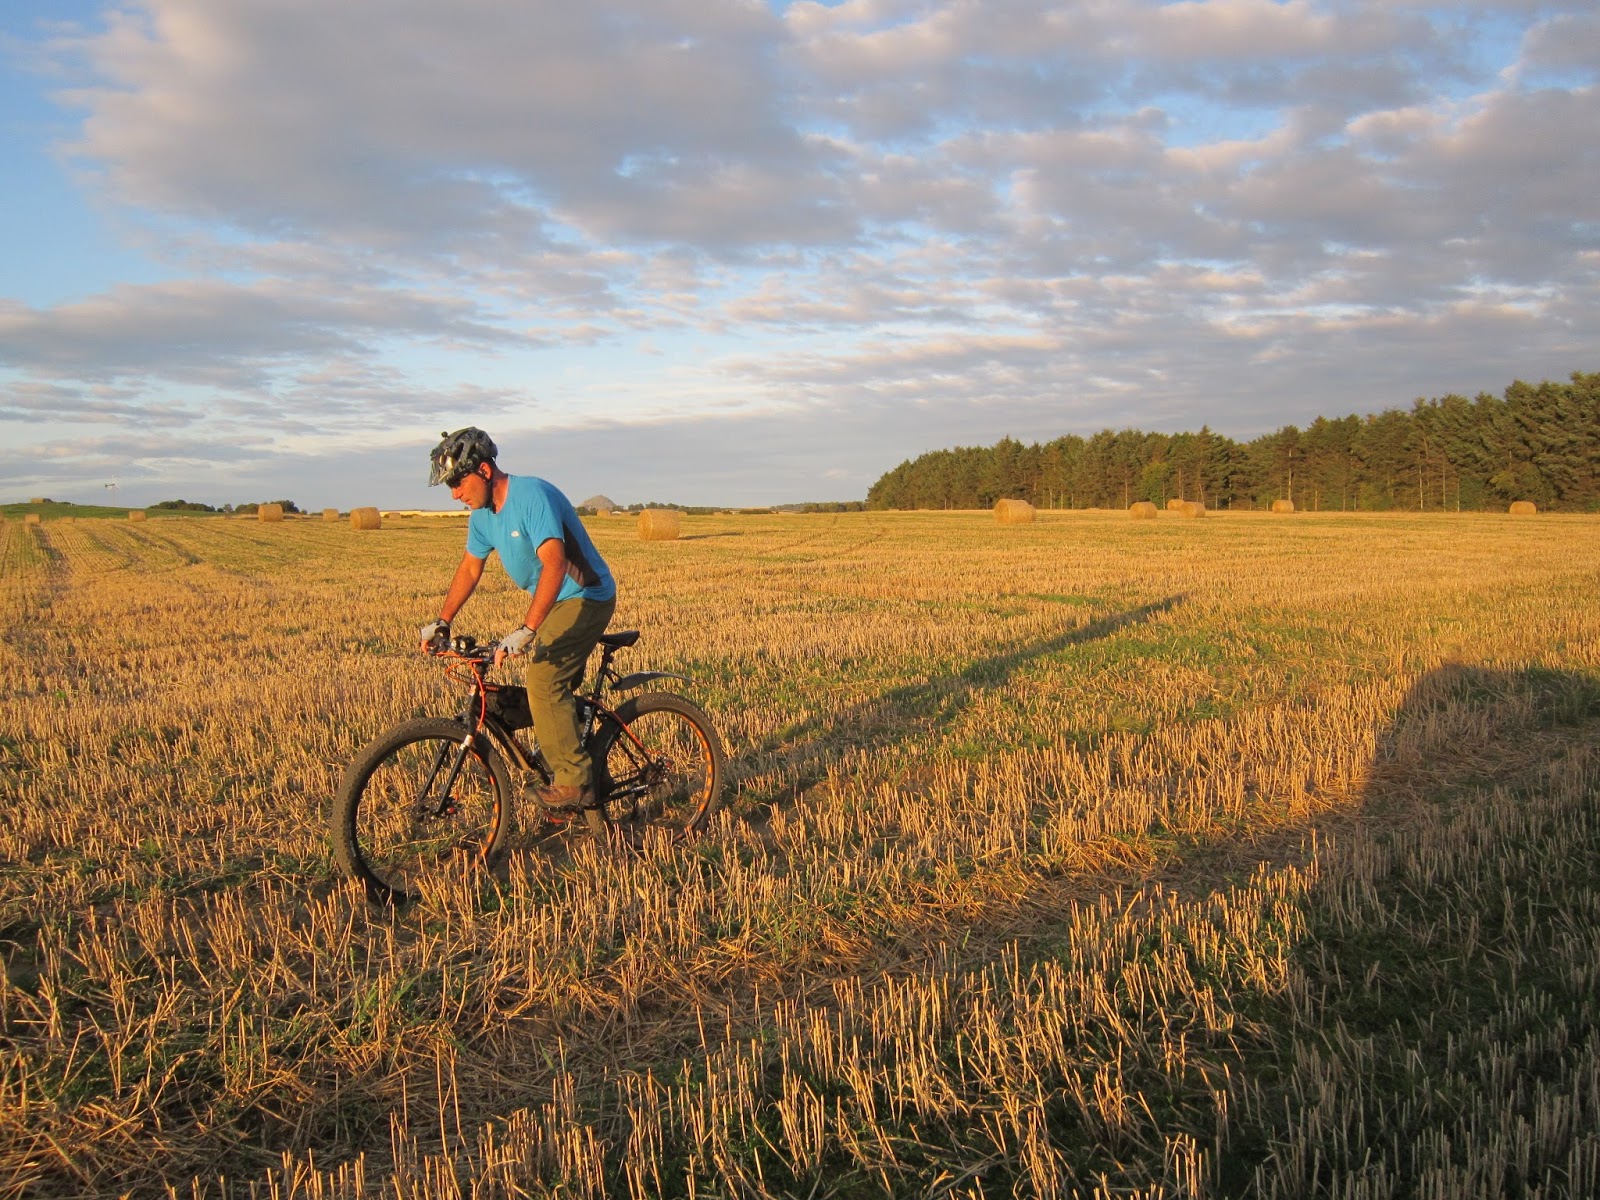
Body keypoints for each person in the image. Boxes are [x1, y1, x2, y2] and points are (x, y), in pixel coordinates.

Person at [419, 427, 616, 812]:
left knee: (543, 680)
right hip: (554, 602)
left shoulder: (531, 496)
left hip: (586, 596)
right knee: (548, 690)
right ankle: (574, 741)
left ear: (485, 471)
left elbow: (555, 564)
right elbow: (470, 569)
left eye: (458, 482)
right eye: (450, 487)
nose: (455, 493)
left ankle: (575, 783)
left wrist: (527, 629)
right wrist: (443, 620)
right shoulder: (482, 515)